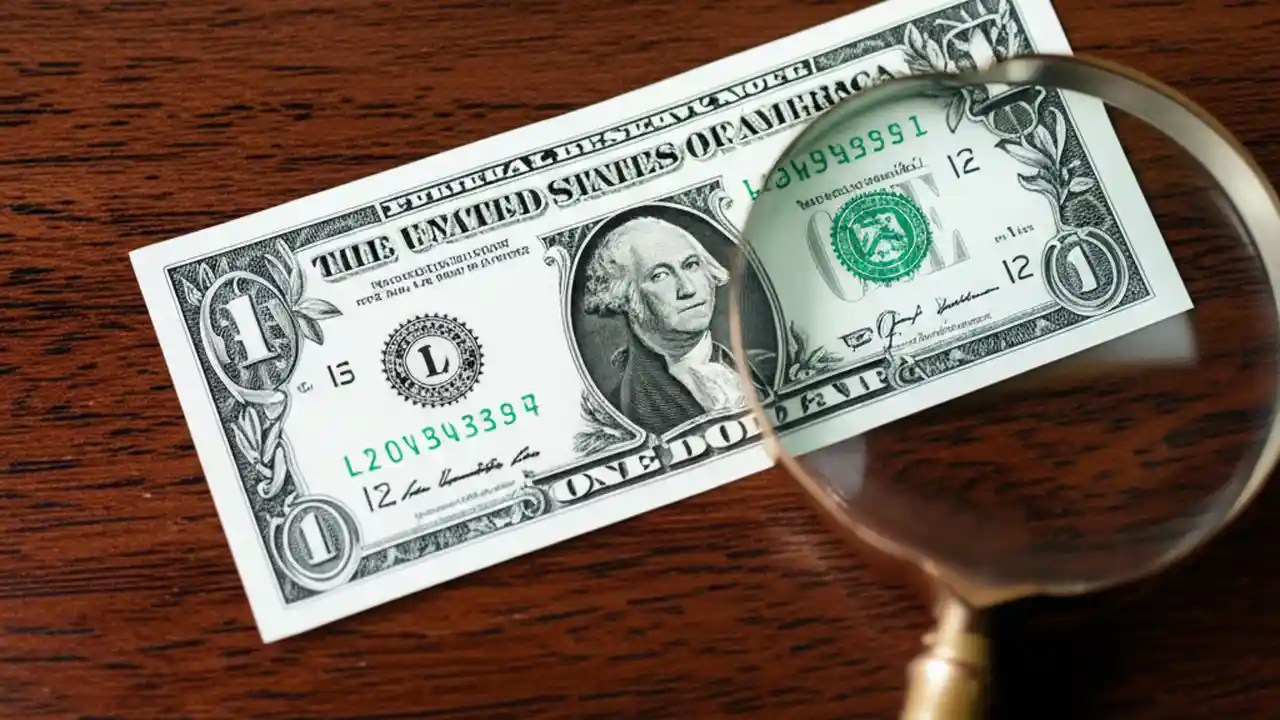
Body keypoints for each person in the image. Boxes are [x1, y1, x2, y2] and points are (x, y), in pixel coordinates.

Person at [582, 215, 770, 436]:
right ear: (625, 296)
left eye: (691, 265)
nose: (687, 288)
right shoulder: (621, 416)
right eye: (660, 275)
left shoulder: (765, 365)